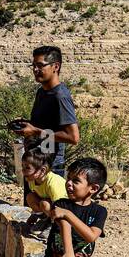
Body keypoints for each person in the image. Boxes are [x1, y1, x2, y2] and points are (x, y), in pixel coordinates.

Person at [16, 46, 79, 174]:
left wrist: (35, 131)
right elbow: (46, 125)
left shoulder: (60, 96)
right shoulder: (42, 92)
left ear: (56, 67)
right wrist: (26, 126)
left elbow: (73, 137)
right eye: (33, 65)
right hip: (35, 163)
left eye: (40, 65)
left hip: (50, 168)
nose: (35, 69)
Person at [21, 147, 66, 234]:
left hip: (64, 210)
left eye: (27, 168)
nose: (23, 170)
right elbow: (36, 196)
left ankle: (53, 225)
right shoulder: (32, 180)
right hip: (50, 206)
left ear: (42, 170)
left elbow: (61, 207)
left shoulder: (53, 183)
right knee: (30, 197)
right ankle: (44, 220)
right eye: (22, 166)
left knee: (44, 204)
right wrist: (35, 214)